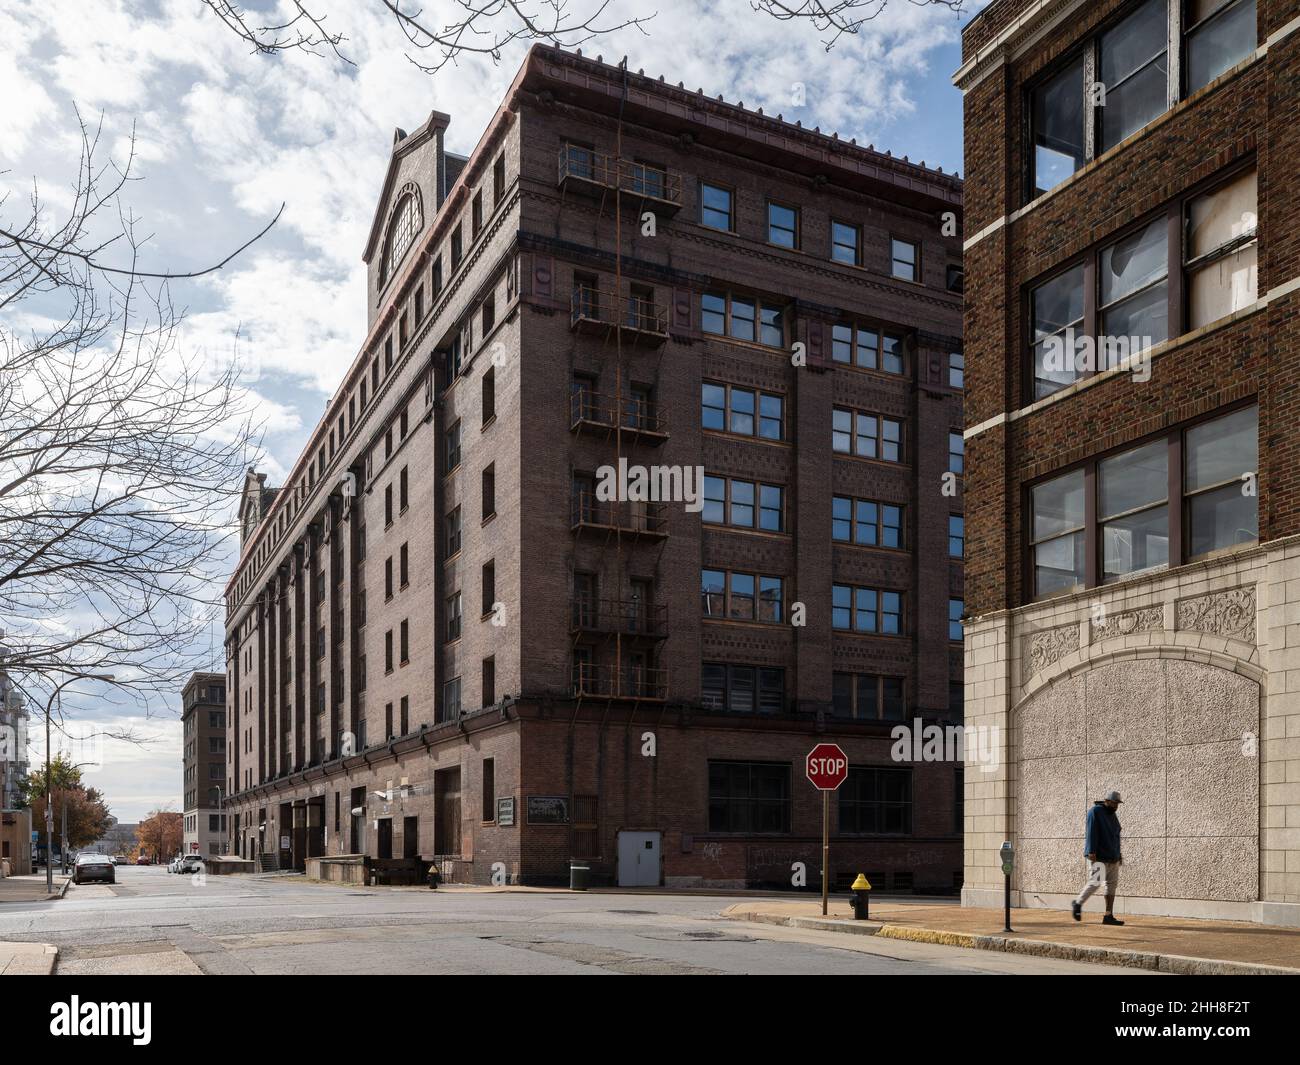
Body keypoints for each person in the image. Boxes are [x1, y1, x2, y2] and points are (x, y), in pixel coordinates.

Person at [1071, 790, 1124, 925]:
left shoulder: (1113, 815)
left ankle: (1108, 915)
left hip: (1113, 857)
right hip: (1099, 856)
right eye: (1114, 803)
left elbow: (1116, 835)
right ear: (1106, 801)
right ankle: (1077, 903)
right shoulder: (1095, 812)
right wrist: (1091, 850)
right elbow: (1091, 831)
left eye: (1117, 804)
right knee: (1095, 882)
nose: (1116, 806)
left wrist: (1119, 854)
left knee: (1111, 886)